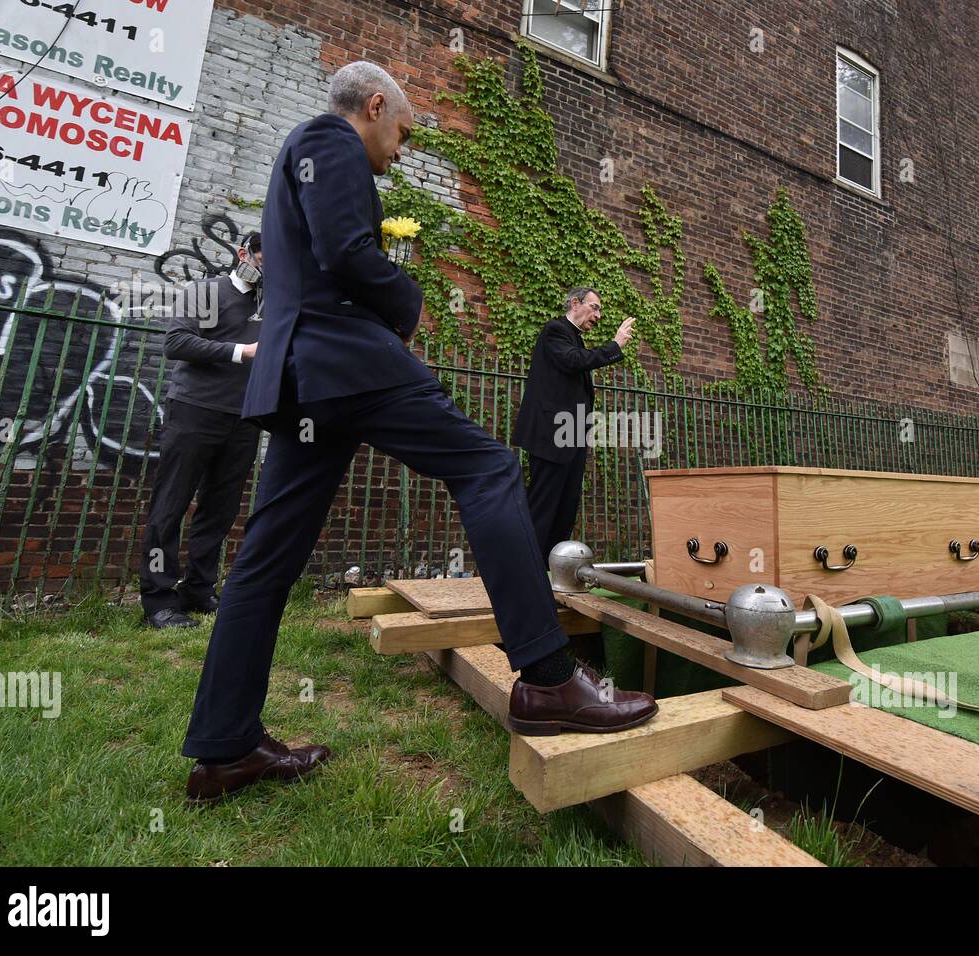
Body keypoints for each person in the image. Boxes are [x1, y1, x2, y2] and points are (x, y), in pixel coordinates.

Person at [181, 62, 657, 804]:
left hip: (306, 378)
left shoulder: (299, 157)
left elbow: (321, 261)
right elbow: (346, 251)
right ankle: (548, 679)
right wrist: (410, 301)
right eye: (400, 132)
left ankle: (224, 748)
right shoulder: (328, 139)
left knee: (264, 563)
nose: (400, 149)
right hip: (346, 363)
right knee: (490, 469)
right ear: (373, 107)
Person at [138, 234, 264, 629]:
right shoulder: (209, 291)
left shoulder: (273, 303)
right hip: (193, 410)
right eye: (267, 258)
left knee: (220, 509)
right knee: (170, 504)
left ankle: (199, 589)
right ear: (245, 254)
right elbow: (175, 343)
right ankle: (159, 600)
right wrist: (241, 351)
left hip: (245, 417)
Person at [513, 287, 633, 561]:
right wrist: (615, 346)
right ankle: (524, 567)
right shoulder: (555, 330)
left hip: (571, 437)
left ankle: (550, 568)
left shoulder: (574, 339)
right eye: (595, 307)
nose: (598, 315)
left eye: (600, 310)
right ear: (575, 303)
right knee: (543, 506)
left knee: (565, 507)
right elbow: (573, 361)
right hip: (551, 435)